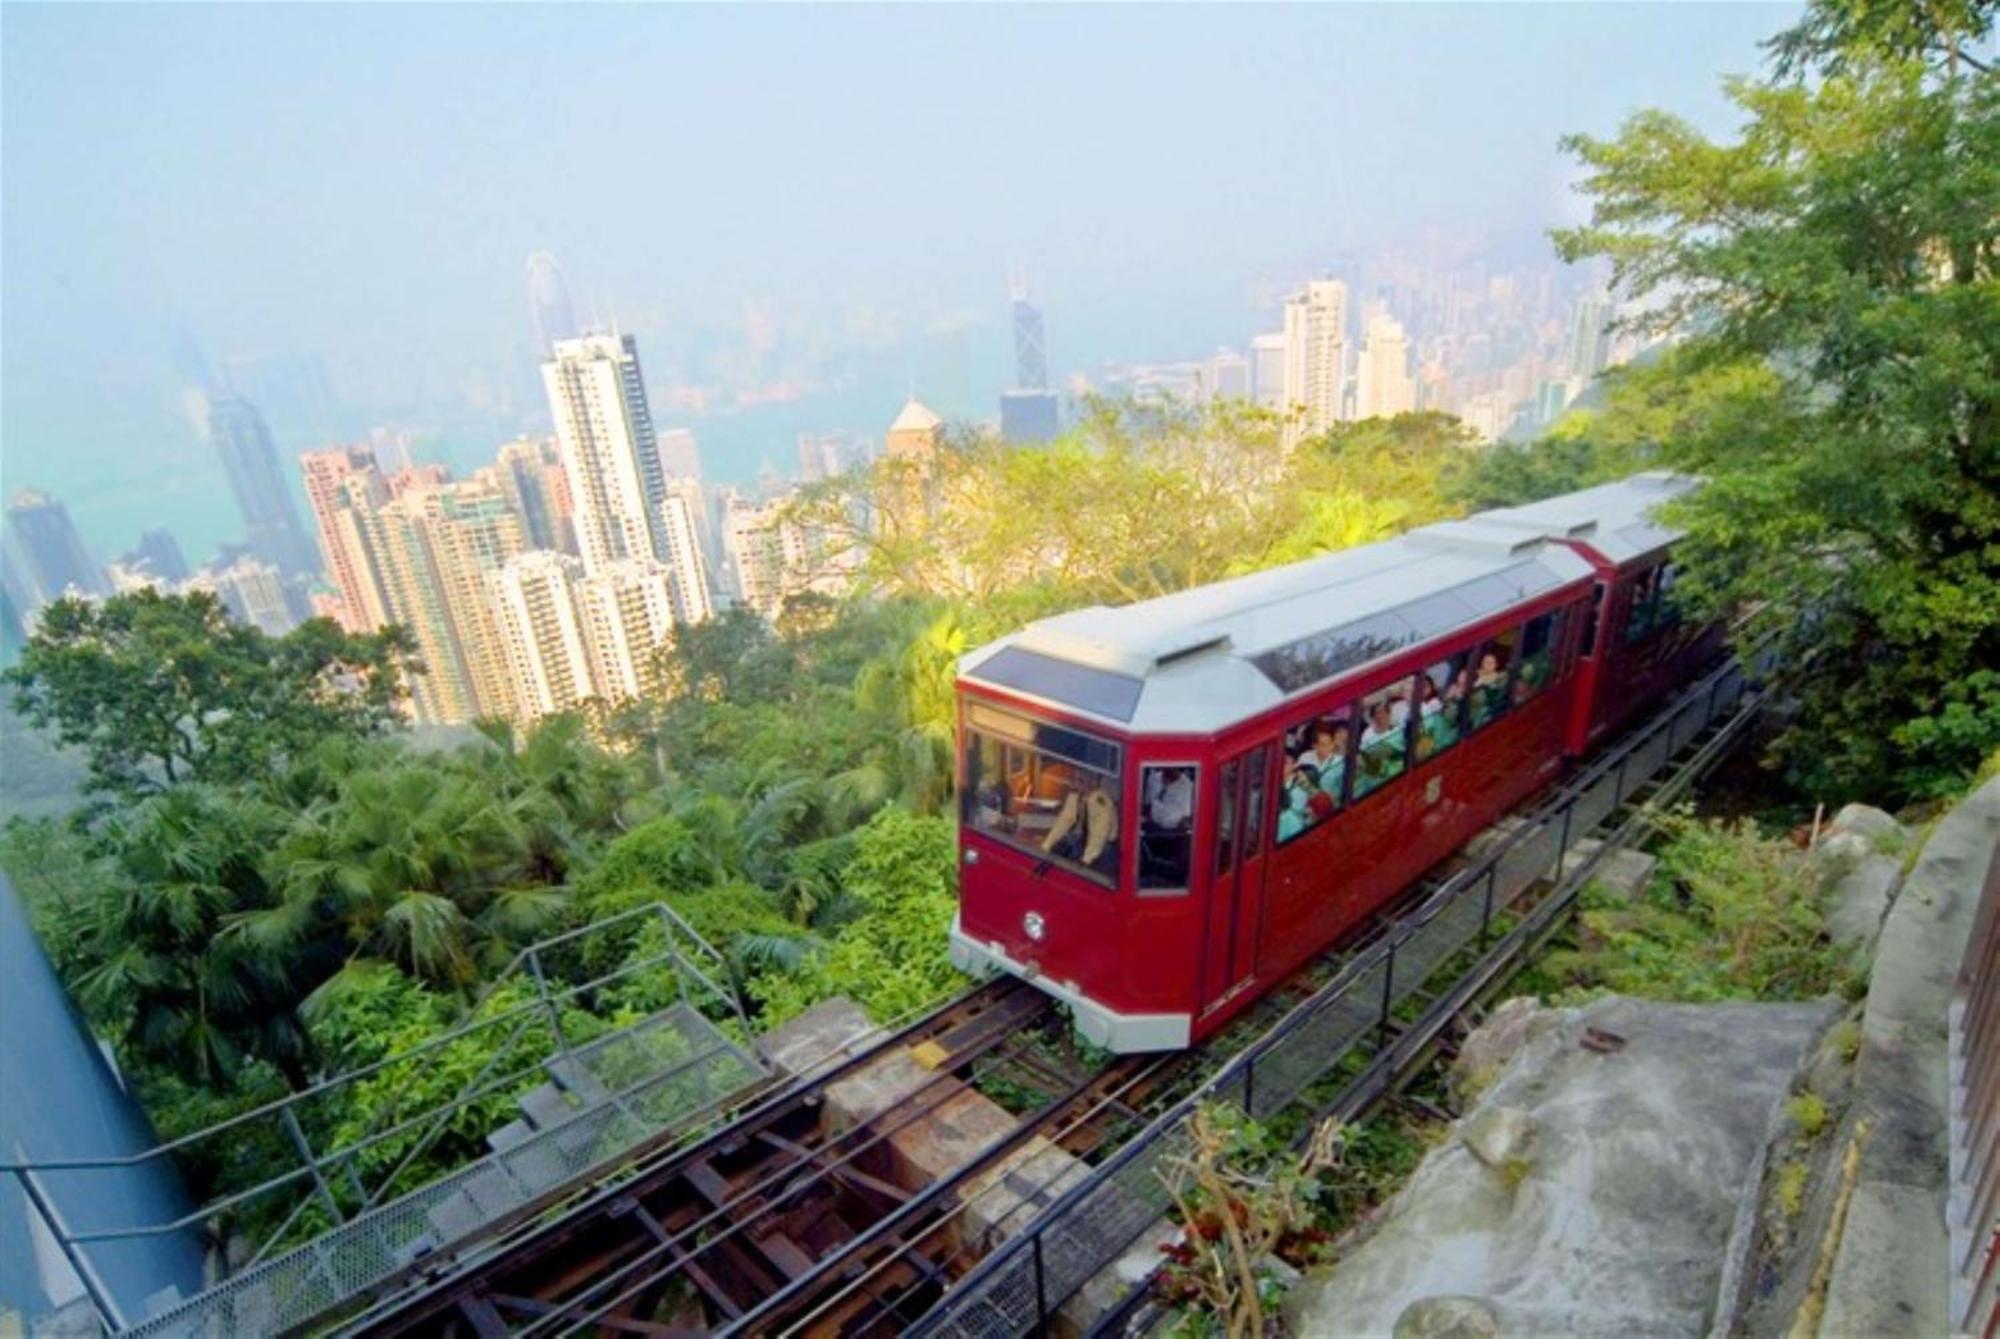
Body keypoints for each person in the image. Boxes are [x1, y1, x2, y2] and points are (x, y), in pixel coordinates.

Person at [1148, 766, 1195, 831]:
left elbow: (1186, 817)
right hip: (1152, 830)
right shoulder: (1152, 779)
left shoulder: (1188, 786)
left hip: (1175, 833)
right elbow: (1148, 805)